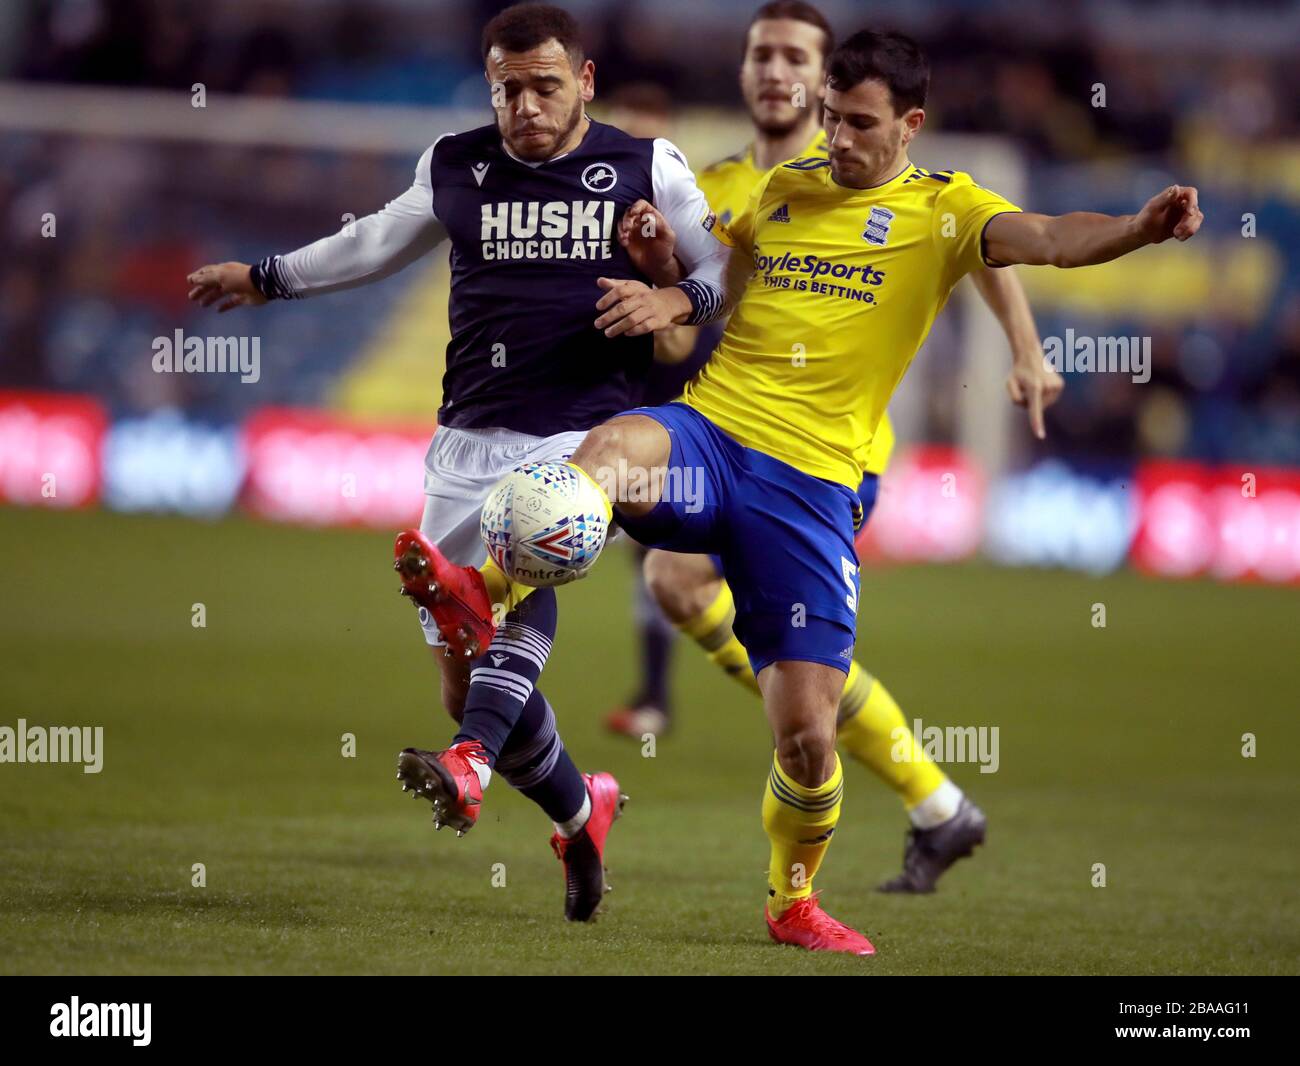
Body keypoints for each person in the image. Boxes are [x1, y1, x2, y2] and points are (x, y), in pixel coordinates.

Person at [185, 2, 729, 922]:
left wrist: (669, 298)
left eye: (545, 86)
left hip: (585, 436)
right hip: (468, 437)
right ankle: (577, 806)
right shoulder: (455, 163)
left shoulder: (647, 164)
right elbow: (372, 245)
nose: (524, 106)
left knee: (531, 548)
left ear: (585, 82)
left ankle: (470, 765)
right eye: (507, 88)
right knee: (461, 680)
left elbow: (721, 277)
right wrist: (266, 277)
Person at [604, 0, 1059, 896]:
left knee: (691, 590)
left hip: (836, 456)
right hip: (736, 430)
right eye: (761, 55)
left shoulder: (890, 191)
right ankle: (934, 803)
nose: (777, 72)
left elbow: (976, 246)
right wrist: (659, 284)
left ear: (827, 80)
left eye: (796, 58)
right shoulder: (714, 189)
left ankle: (910, 791)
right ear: (743, 72)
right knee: (683, 587)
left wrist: (1029, 346)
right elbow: (684, 336)